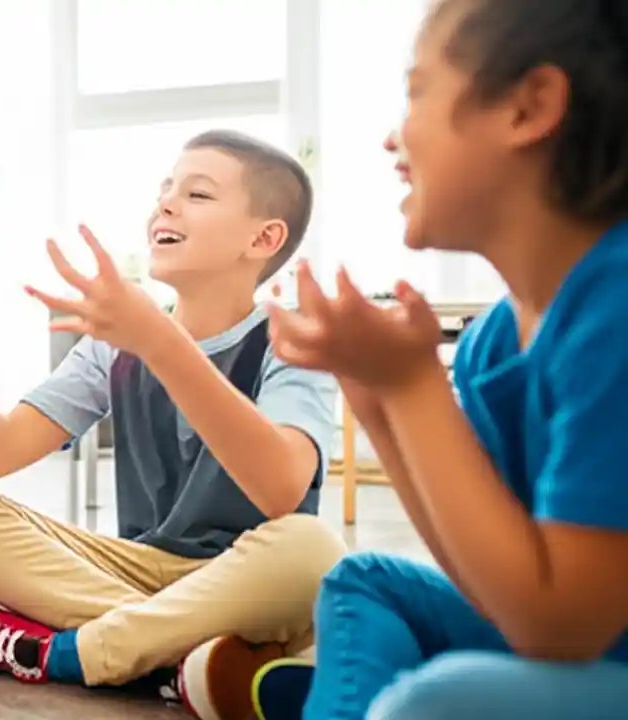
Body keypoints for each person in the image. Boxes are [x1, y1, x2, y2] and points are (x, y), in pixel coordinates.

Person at [0, 129, 347, 720]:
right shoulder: (113, 348)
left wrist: (159, 342)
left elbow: (281, 487)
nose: (166, 203)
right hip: (142, 569)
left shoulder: (292, 341)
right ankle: (188, 655)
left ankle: (58, 652)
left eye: (198, 194)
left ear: (264, 237)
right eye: (166, 189)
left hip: (248, 571)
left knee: (313, 551)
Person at [253, 0, 628, 718]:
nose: (394, 138)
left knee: (433, 703)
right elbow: (490, 579)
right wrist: (378, 398)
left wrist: (413, 384)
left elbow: (558, 627)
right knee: (363, 580)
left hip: (587, 647)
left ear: (529, 107)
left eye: (418, 92)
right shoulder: (495, 337)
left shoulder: (616, 302)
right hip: (575, 651)